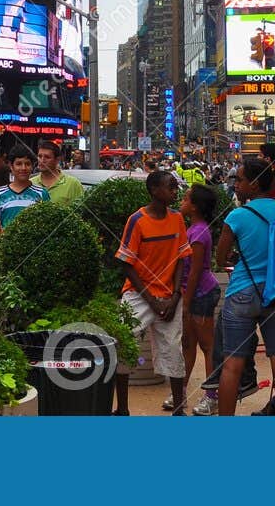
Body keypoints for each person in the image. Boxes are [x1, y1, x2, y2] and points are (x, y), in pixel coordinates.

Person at [212, 156, 275, 416]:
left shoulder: (237, 216)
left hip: (242, 291)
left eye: (239, 180)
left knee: (232, 366)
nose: (236, 185)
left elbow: (220, 258)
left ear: (254, 184)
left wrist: (237, 257)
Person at [114, 170, 191, 415]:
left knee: (173, 351)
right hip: (138, 295)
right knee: (124, 347)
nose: (175, 191)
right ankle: (122, 408)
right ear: (154, 190)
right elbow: (126, 263)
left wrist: (175, 296)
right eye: (171, 186)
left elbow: (181, 258)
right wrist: (151, 300)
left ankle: (178, 408)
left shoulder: (177, 219)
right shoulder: (137, 220)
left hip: (169, 296)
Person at [180, 184, 221, 415]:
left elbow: (195, 272)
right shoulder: (194, 229)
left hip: (201, 294)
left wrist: (186, 303)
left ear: (195, 206)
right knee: (188, 344)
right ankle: (181, 391)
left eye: (186, 199)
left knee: (207, 346)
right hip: (193, 293)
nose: (181, 201)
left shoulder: (198, 233)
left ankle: (212, 397)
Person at [0, 148, 49, 229]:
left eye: (27, 164)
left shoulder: (42, 193)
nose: (23, 168)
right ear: (11, 166)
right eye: (18, 164)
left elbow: (47, 223)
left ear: (32, 167)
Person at [33, 140, 83, 207]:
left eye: (47, 157)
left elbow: (81, 210)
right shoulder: (30, 183)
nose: (42, 160)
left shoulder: (73, 184)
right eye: (39, 156)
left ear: (57, 160)